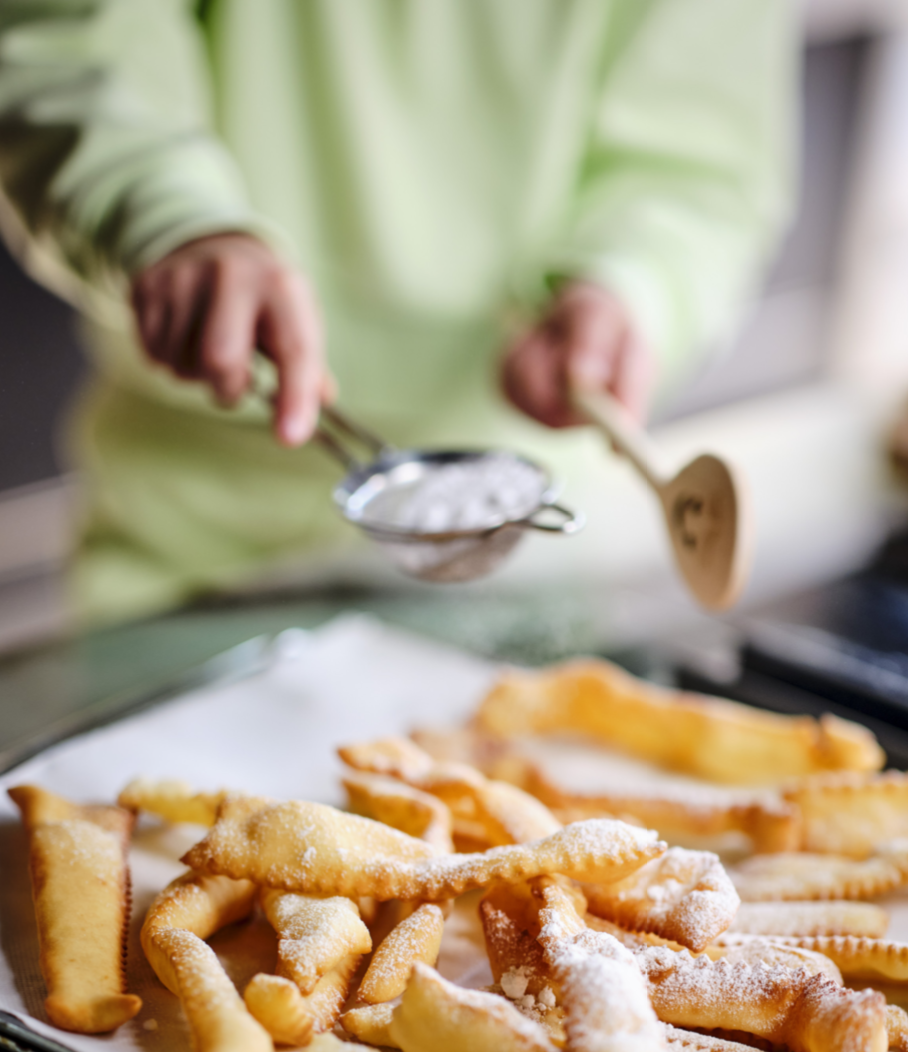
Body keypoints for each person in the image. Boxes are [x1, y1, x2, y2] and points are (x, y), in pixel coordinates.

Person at [0, 1, 795, 622]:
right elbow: (66, 40)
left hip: (516, 549)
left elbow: (703, 167)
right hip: (186, 527)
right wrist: (165, 214)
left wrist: (630, 284)